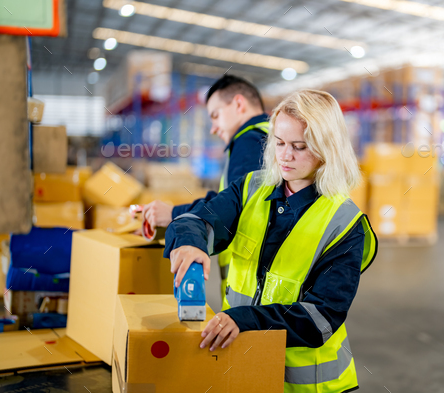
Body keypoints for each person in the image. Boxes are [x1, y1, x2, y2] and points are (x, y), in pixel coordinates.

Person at [164, 89, 378, 392]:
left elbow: (322, 317)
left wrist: (247, 319)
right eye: (279, 143)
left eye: (299, 146)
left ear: (327, 148)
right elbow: (199, 219)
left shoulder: (344, 224)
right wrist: (190, 242)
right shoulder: (252, 188)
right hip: (244, 369)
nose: (285, 156)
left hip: (310, 386)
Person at [144, 75, 269, 306]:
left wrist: (175, 213)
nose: (213, 128)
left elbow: (233, 205)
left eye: (215, 115)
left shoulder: (249, 142)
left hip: (254, 289)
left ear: (239, 104)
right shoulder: (267, 136)